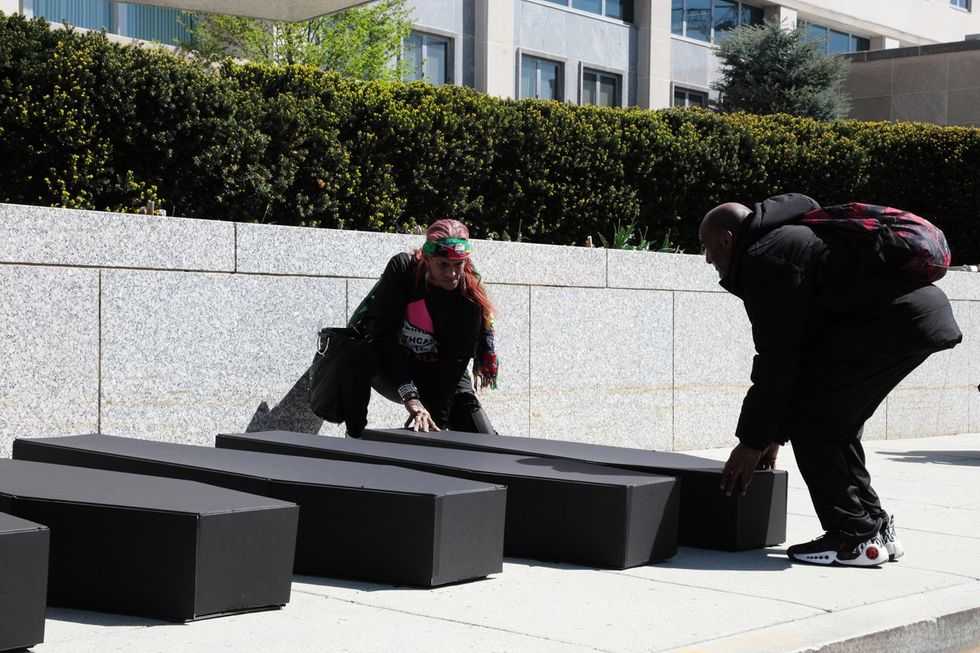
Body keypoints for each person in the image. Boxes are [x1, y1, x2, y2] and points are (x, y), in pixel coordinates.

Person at [699, 193, 962, 567]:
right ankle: (873, 529)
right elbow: (801, 352)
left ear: (727, 238)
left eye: (708, 248)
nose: (708, 259)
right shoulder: (787, 241)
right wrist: (773, 434)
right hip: (908, 322)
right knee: (836, 423)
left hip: (892, 325)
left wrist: (750, 443)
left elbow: (778, 360)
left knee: (818, 423)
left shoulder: (765, 258)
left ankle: (853, 538)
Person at [338, 219, 498, 437]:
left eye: (458, 265)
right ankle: (354, 434)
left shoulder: (469, 299)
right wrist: (410, 397)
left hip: (442, 372)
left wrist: (433, 427)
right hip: (394, 366)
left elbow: (453, 368)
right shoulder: (403, 270)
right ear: (428, 257)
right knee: (358, 353)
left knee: (483, 438)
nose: (451, 274)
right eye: (443, 264)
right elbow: (383, 336)